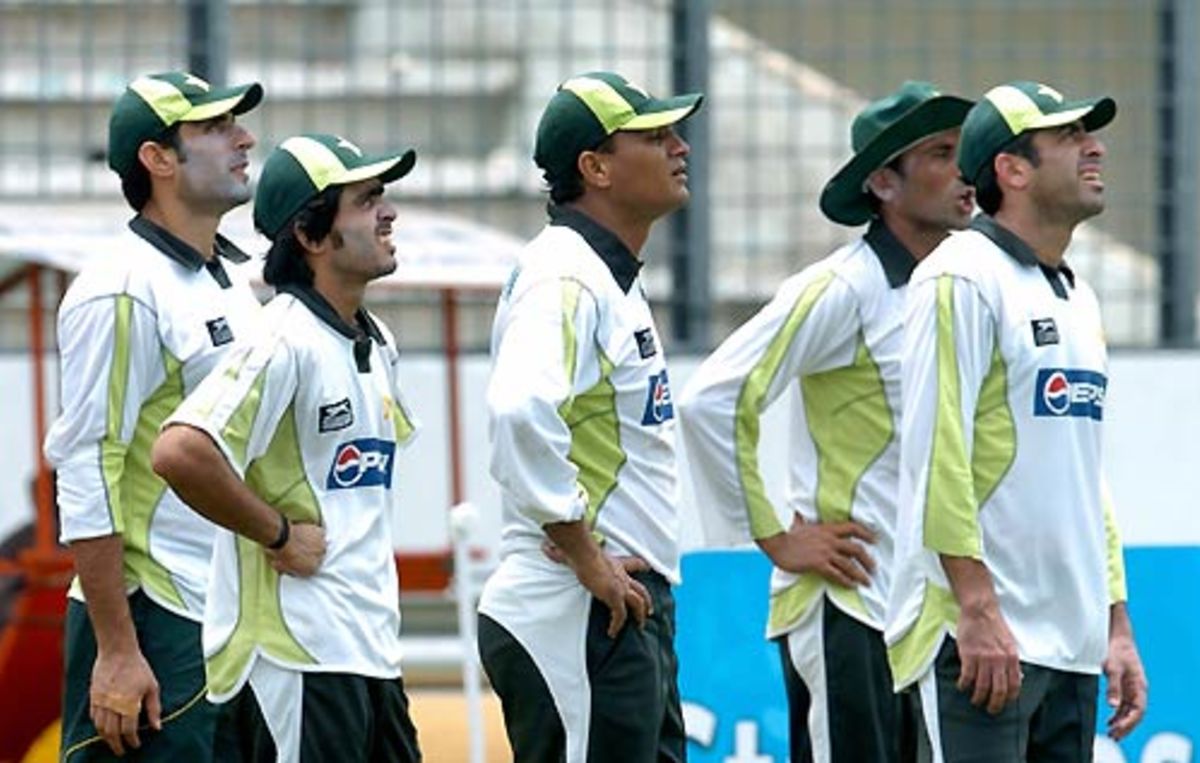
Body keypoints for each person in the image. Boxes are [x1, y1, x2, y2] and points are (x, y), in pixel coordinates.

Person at [677, 81, 975, 763]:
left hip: (923, 605)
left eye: (966, 151)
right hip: (850, 602)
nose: (967, 170)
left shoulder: (959, 289)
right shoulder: (843, 287)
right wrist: (777, 536)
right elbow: (713, 396)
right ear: (882, 182)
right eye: (940, 152)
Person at [885, 81, 1148, 762]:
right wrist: (975, 608)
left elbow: (1085, 474)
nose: (1094, 148)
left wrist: (1114, 623)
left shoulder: (1078, 296)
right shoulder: (961, 276)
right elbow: (935, 453)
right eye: (1069, 137)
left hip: (1070, 643)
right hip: (980, 641)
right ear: (1012, 168)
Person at [150, 133, 423, 763]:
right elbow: (180, 451)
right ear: (311, 233)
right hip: (293, 653)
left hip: (367, 650)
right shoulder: (280, 337)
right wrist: (276, 533)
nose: (388, 212)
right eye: (366, 200)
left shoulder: (376, 340)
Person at [477, 71, 701, 762]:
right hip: (580, 607)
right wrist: (585, 553)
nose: (681, 147)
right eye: (655, 136)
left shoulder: (599, 276)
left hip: (610, 606)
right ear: (596, 167)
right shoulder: (567, 276)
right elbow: (518, 408)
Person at [43, 71, 262, 761]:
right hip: (153, 617)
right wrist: (115, 648)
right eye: (215, 127)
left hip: (224, 612)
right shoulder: (119, 285)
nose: (244, 137)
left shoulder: (227, 278)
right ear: (157, 159)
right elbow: (87, 461)